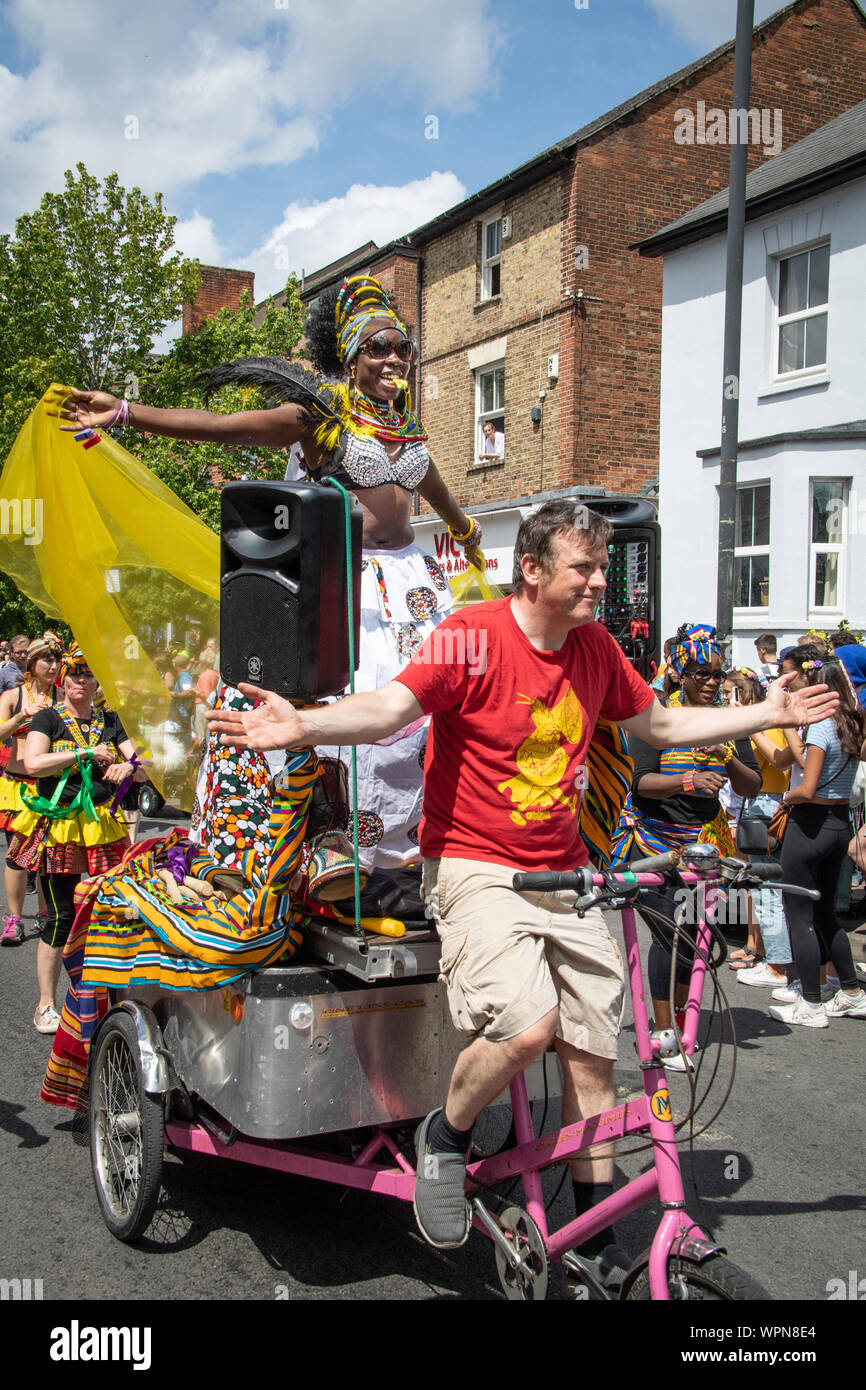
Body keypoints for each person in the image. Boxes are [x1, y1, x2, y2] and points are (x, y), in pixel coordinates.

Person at [204, 501, 837, 1269]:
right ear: (532, 570)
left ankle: (596, 1239)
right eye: (586, 567)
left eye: (604, 567)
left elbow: (660, 730)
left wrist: (765, 710)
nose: (602, 581)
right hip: (472, 866)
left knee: (592, 1055)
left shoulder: (596, 648)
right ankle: (447, 1132)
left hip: (562, 873)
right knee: (524, 1026)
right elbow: (391, 711)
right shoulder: (471, 636)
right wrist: (304, 725)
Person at [57, 274, 480, 873]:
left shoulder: (405, 423)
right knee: (330, 707)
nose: (393, 359)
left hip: (413, 589)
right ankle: (327, 847)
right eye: (377, 348)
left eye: (401, 348)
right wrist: (127, 413)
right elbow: (226, 427)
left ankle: (412, 848)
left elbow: (429, 481)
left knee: (421, 712)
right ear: (351, 355)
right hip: (344, 585)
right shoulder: (320, 415)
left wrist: (462, 527)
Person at [612, 627, 762, 1069]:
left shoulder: (730, 723)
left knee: (695, 936)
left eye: (718, 673)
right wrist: (687, 779)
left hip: (706, 844)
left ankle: (680, 1016)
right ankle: (662, 1033)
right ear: (680, 674)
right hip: (652, 840)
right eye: (701, 673)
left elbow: (750, 784)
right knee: (666, 934)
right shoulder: (656, 718)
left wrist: (728, 754)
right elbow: (641, 783)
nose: (712, 682)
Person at [9, 645, 145, 1033]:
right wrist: (84, 752)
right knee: (58, 917)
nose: (80, 681)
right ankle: (46, 1004)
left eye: (87, 674)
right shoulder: (49, 719)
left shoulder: (110, 719)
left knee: (108, 910)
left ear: (98, 681)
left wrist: (127, 766)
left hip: (102, 827)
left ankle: (100, 993)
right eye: (73, 674)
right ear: (61, 680)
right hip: (61, 828)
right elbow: (34, 763)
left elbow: (139, 761)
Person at [767, 654, 866, 1027]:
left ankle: (810, 1001)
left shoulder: (823, 727)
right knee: (826, 915)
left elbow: (806, 787)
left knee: (800, 916)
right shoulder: (852, 726)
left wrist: (787, 799)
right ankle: (853, 992)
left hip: (810, 824)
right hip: (840, 824)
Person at [720, 667, 795, 990]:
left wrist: (747, 726)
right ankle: (760, 950)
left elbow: (779, 760)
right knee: (756, 887)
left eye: (728, 693)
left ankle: (775, 963)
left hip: (768, 805)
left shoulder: (768, 725)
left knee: (768, 892)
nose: (724, 698)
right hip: (757, 805)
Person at [0, 633, 62, 943]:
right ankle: (13, 919)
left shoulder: (62, 698)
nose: (53, 666)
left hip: (49, 788)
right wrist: (23, 716)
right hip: (17, 786)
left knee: (46, 854)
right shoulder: (14, 696)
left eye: (57, 660)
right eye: (47, 660)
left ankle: (43, 913)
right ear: (33, 663)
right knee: (16, 856)